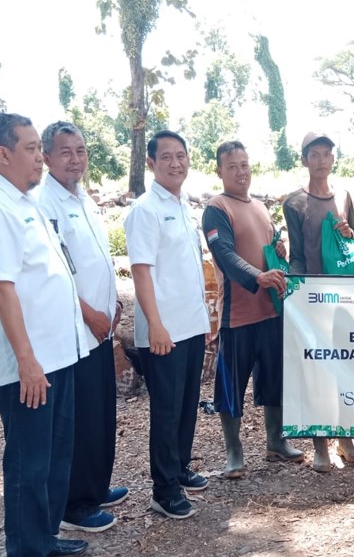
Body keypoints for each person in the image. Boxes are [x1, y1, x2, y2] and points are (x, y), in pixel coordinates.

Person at [0, 113, 90, 557]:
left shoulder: (25, 202)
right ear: (3, 154)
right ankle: (25, 548)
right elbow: (2, 290)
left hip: (56, 355)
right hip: (28, 364)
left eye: (41, 148)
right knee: (28, 462)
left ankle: (44, 538)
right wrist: (26, 361)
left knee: (54, 457)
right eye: (31, 149)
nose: (41, 158)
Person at [39, 122, 128, 533]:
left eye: (80, 150)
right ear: (46, 157)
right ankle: (75, 504)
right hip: (77, 329)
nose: (75, 159)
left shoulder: (82, 198)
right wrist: (91, 312)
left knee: (101, 412)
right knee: (82, 417)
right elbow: (56, 271)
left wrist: (112, 303)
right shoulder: (46, 202)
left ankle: (95, 485)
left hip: (101, 325)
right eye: (65, 152)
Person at [203, 141, 305, 479]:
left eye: (244, 164)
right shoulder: (216, 209)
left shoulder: (260, 207)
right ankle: (234, 451)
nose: (240, 171)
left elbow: (270, 249)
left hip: (270, 312)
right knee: (231, 384)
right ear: (219, 171)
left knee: (274, 378)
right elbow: (225, 256)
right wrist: (258, 276)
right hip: (238, 315)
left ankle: (275, 440)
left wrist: (278, 250)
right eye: (231, 166)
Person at [124, 130, 210, 519]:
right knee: (167, 409)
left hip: (190, 324)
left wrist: (205, 318)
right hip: (163, 331)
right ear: (151, 163)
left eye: (181, 155)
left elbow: (190, 270)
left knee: (188, 402)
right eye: (167, 157)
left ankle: (179, 468)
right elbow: (141, 273)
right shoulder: (146, 209)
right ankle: (164, 489)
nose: (176, 163)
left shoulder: (183, 204)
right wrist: (155, 325)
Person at [282, 131, 354, 471]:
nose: (320, 160)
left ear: (334, 158)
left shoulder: (344, 196)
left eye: (326, 154)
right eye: (313, 154)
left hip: (345, 299)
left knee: (347, 365)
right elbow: (298, 254)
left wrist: (350, 233)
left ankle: (345, 438)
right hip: (313, 297)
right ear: (304, 160)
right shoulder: (294, 202)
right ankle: (320, 444)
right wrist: (298, 293)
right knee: (317, 371)